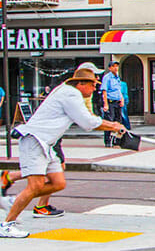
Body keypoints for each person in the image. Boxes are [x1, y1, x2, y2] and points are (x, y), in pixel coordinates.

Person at [0, 68, 126, 238]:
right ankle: (7, 224)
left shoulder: (69, 92)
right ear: (81, 83)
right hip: (35, 140)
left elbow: (87, 119)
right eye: (92, 85)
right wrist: (114, 125)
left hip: (46, 144)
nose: (94, 89)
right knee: (35, 185)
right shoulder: (71, 94)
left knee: (58, 183)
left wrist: (112, 126)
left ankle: (15, 201)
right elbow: (87, 122)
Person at [1, 138, 66, 218]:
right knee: (54, 170)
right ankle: (40, 206)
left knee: (52, 172)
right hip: (47, 138)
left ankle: (10, 177)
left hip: (50, 137)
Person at [101, 61, 125, 147]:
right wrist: (106, 104)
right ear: (110, 68)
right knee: (109, 122)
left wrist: (122, 99)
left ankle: (116, 141)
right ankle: (107, 141)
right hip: (110, 101)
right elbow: (104, 91)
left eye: (117, 66)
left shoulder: (117, 78)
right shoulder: (107, 78)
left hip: (117, 102)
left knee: (118, 122)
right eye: (113, 66)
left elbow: (119, 90)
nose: (116, 68)